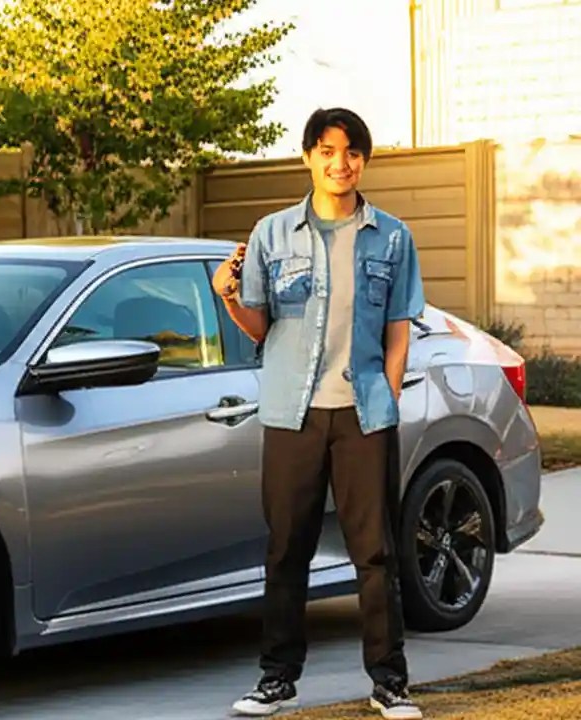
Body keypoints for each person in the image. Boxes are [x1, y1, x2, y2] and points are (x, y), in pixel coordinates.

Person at [212, 108, 426, 720]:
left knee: (376, 554)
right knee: (286, 552)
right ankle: (277, 681)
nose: (341, 163)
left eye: (352, 152)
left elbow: (397, 329)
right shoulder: (272, 234)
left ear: (364, 160)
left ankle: (390, 683)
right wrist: (226, 293)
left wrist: (384, 396)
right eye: (328, 150)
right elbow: (259, 323)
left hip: (363, 415)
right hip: (291, 416)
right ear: (308, 156)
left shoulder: (392, 236)